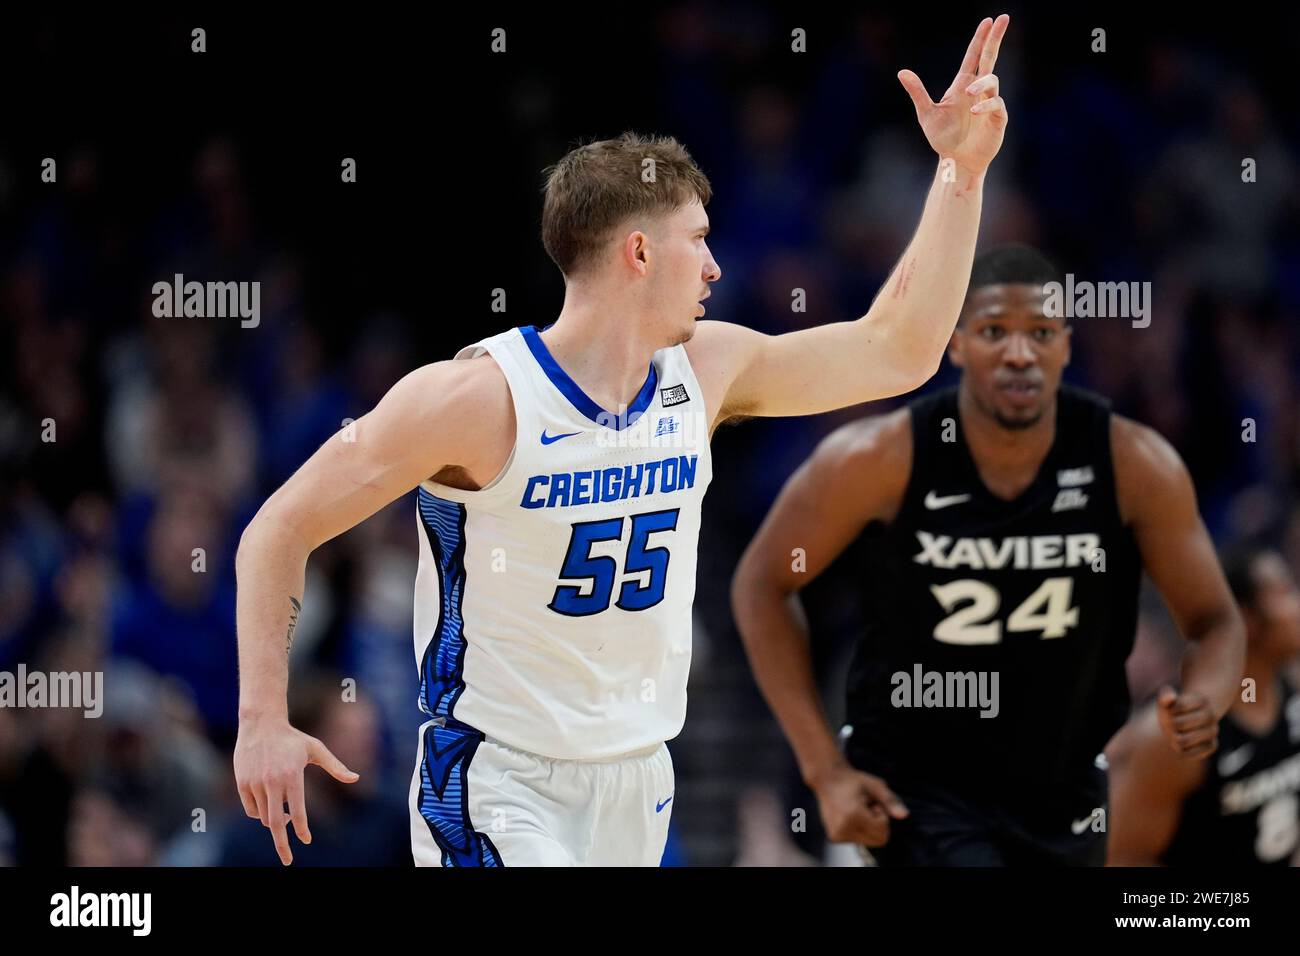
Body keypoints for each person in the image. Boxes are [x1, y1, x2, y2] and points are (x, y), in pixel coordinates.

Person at [233, 14, 1011, 867]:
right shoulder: (478, 399)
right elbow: (279, 529)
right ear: (639, 252)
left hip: (638, 780)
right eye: (700, 241)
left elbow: (898, 349)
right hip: (500, 779)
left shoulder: (706, 370)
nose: (717, 268)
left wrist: (961, 173)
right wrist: (263, 720)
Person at [731, 243, 1245, 866]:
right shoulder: (880, 459)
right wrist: (824, 769)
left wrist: (1206, 697)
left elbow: (1215, 621)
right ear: (957, 344)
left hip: (1065, 791)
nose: (1019, 352)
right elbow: (762, 583)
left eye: (1040, 333)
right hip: (917, 787)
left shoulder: (1134, 465)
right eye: (995, 331)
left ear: (1066, 344)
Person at [1107, 544, 1300, 866]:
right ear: (1245, 619)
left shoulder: (1291, 689)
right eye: (1283, 593)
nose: (1297, 606)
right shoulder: (1173, 735)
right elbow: (1122, 858)